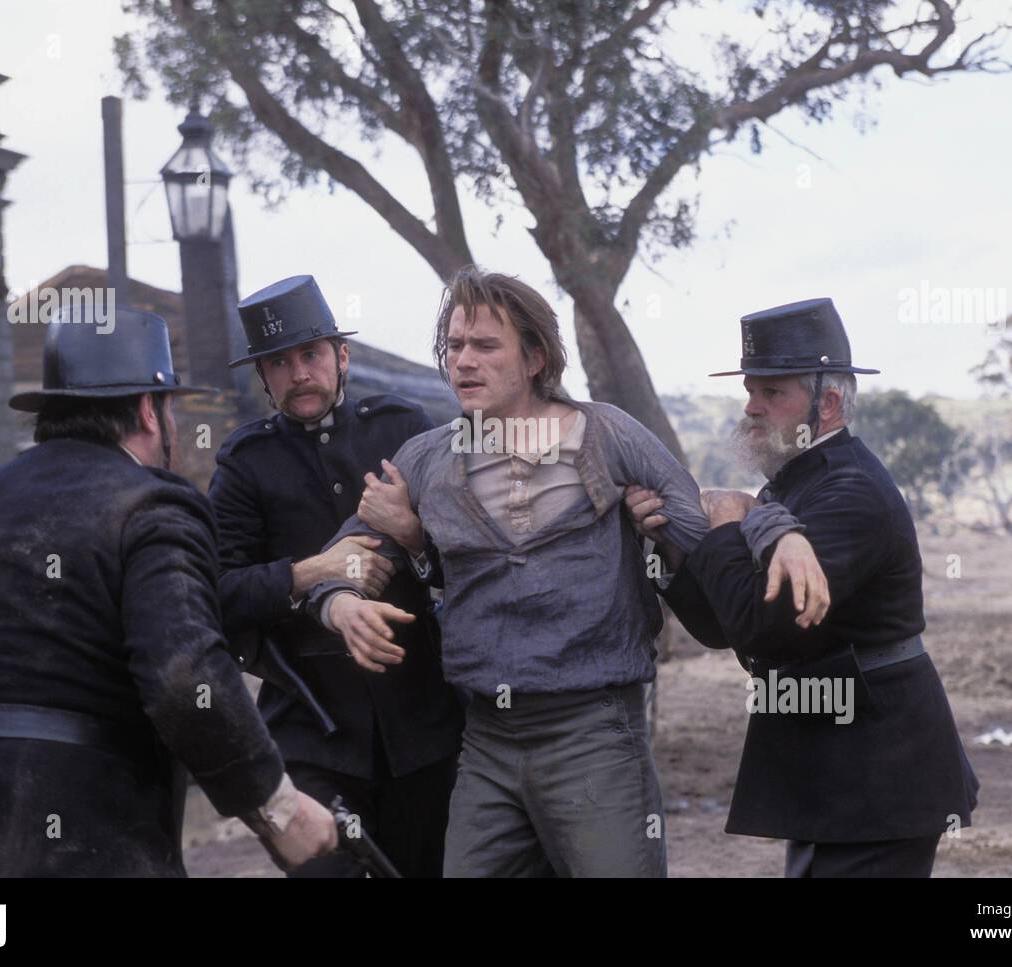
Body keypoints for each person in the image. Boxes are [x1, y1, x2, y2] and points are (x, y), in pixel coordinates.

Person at [305, 268, 827, 877]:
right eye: (454, 346)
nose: (463, 361)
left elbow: (706, 520)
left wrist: (778, 531)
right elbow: (339, 559)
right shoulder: (428, 459)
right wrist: (339, 603)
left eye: (485, 345)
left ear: (534, 357)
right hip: (487, 742)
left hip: (595, 735)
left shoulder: (607, 435)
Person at [0, 306, 337, 876]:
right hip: (73, 831)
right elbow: (184, 677)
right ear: (149, 409)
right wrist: (276, 806)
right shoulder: (151, 505)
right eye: (168, 408)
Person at [627, 297, 979, 877]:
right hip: (835, 770)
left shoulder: (850, 493)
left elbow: (768, 630)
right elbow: (723, 625)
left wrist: (724, 527)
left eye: (772, 393)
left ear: (830, 403)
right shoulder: (792, 485)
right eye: (750, 390)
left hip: (879, 773)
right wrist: (669, 546)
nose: (751, 407)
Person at [209, 275, 464, 877]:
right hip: (311, 729)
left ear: (340, 357)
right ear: (263, 377)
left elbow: (468, 554)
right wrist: (307, 575)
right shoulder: (245, 465)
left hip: (423, 719)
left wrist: (413, 540)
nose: (299, 372)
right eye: (279, 362)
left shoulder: (404, 429)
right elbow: (214, 596)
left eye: (310, 354)